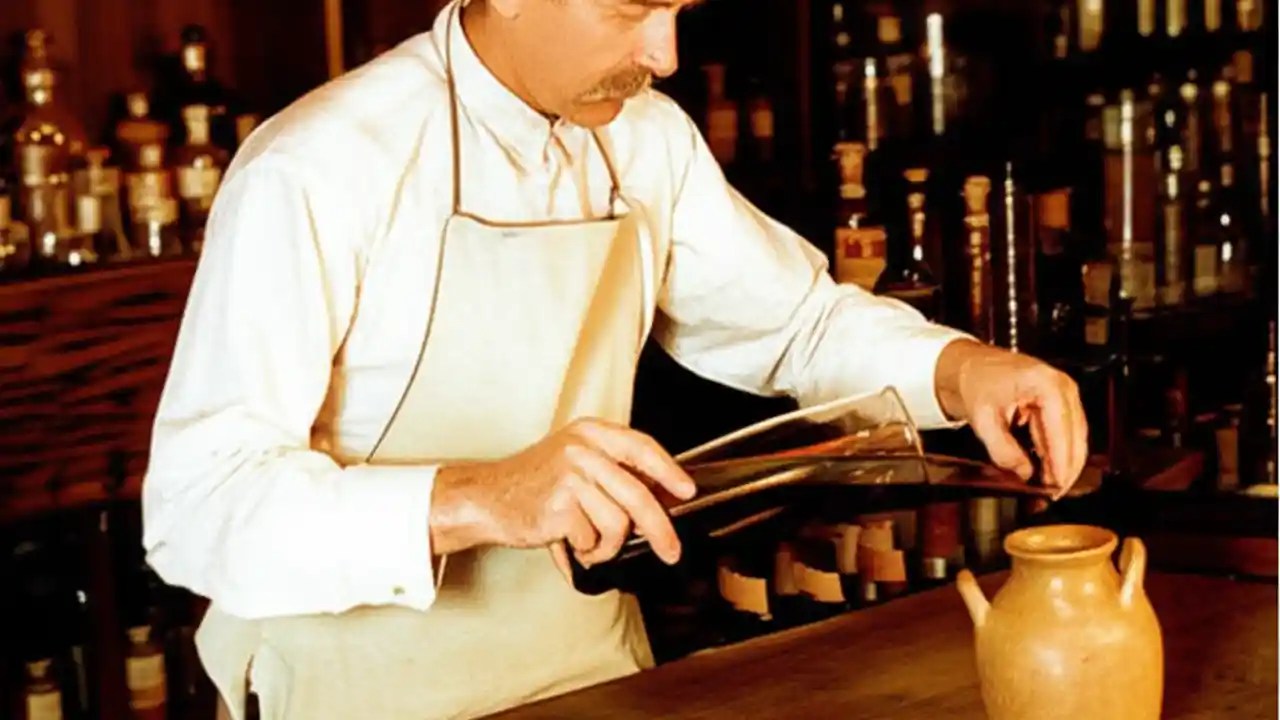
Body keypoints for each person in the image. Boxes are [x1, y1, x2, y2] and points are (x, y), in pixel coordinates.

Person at [142, 0, 1089, 717]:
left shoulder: (646, 140)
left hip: (593, 677)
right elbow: (198, 509)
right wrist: (483, 497)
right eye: (632, 9)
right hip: (359, 695)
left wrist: (961, 370)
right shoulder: (315, 167)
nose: (664, 54)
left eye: (678, 10)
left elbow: (796, 324)